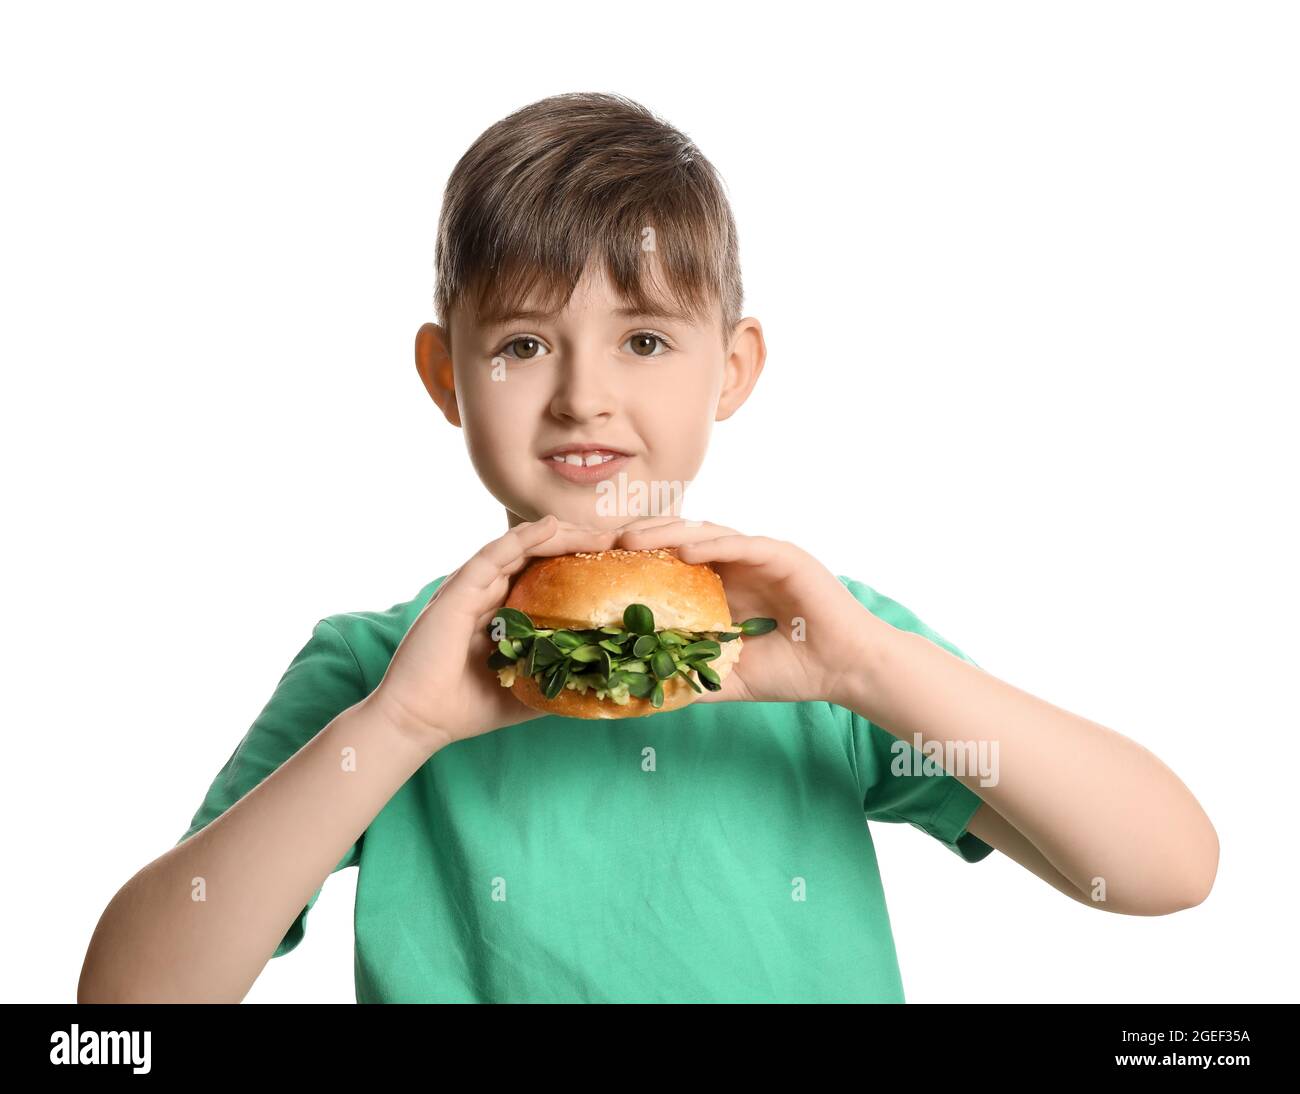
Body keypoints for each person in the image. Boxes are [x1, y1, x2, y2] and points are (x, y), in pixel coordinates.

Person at [78, 91, 1219, 1004]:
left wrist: (871, 668)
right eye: (524, 341)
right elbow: (125, 1004)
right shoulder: (380, 669)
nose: (584, 396)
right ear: (445, 376)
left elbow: (1164, 868)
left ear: (732, 368)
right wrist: (396, 730)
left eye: (644, 337)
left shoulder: (817, 638)